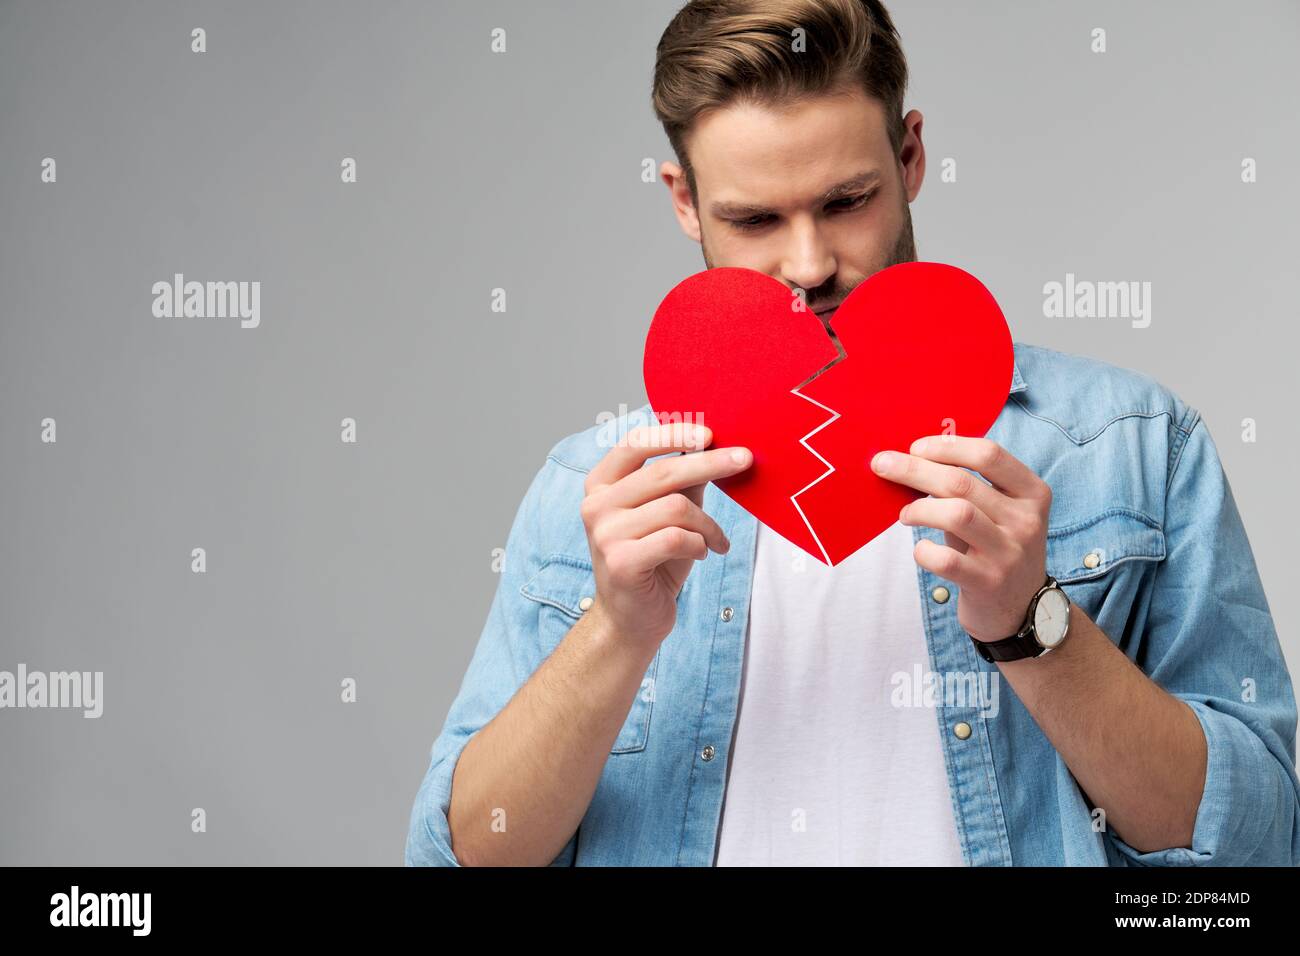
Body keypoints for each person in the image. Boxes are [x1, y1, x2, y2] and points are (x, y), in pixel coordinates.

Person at [405, 0, 1299, 866]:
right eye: (754, 219)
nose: (809, 265)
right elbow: (460, 857)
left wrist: (1035, 626)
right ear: (684, 201)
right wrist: (615, 631)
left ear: (910, 155)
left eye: (845, 201)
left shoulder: (1132, 447)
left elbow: (1258, 850)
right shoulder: (590, 491)